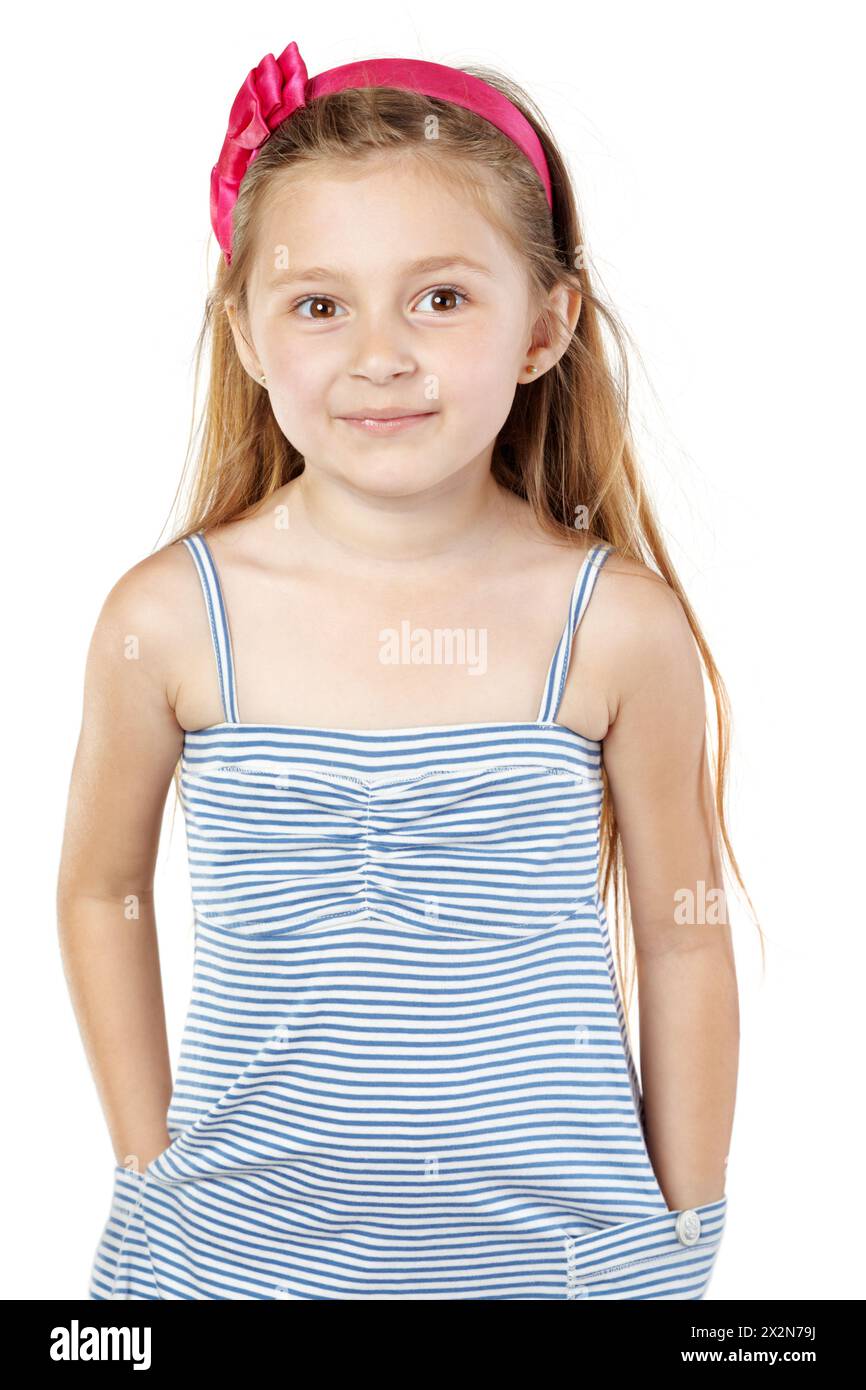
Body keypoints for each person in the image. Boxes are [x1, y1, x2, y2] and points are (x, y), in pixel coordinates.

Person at [57, 40, 747, 1300]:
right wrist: (151, 1164)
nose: (381, 354)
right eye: (320, 303)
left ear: (544, 325)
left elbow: (682, 937)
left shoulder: (613, 628)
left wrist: (684, 1225)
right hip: (228, 1267)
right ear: (249, 334)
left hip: (559, 1273)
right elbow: (100, 891)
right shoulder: (167, 619)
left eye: (438, 298)